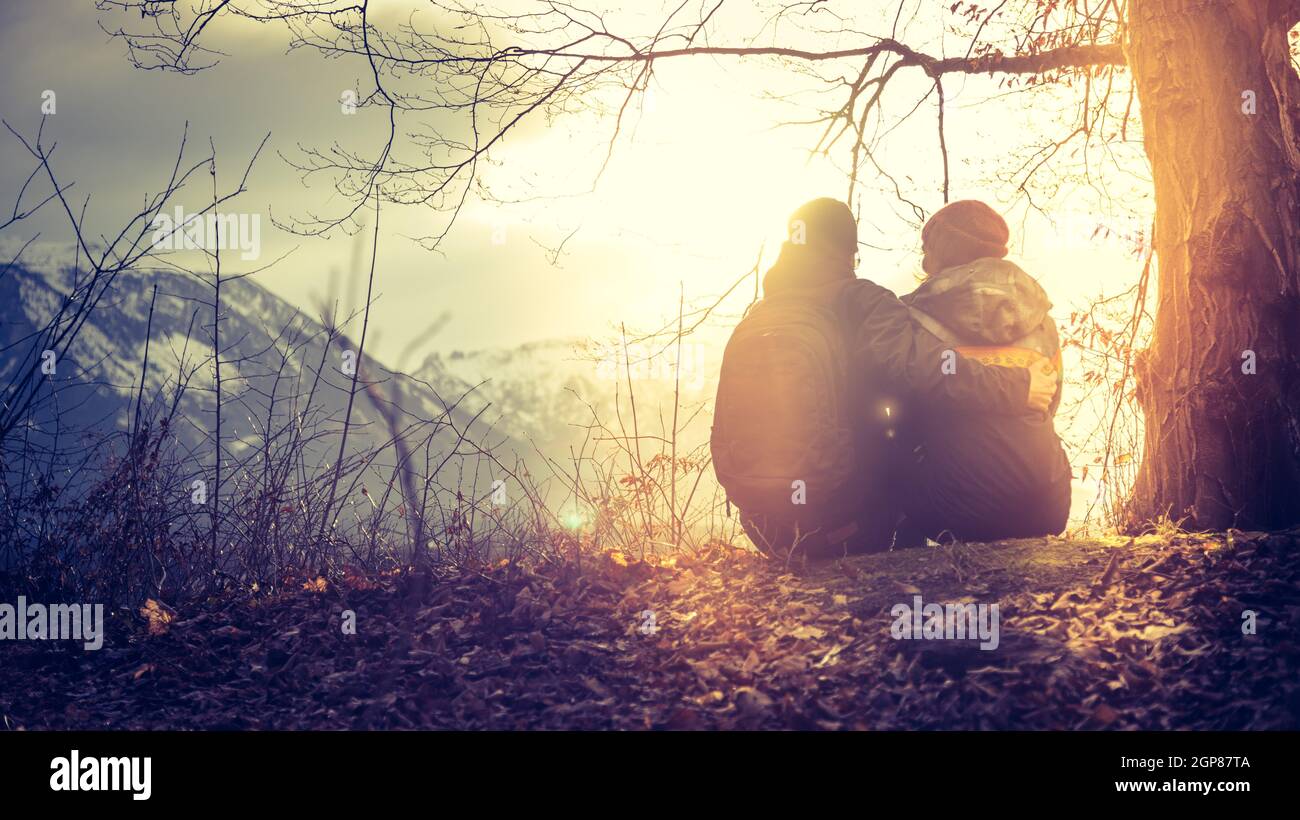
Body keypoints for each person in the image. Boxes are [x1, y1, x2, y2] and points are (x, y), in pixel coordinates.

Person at [711, 198, 1055, 559]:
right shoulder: (863, 301)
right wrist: (1017, 386)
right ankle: (906, 564)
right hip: (847, 527)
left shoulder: (758, 317)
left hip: (766, 528)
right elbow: (920, 367)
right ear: (846, 253)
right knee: (907, 428)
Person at [891, 199, 1071, 543]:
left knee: (886, 442)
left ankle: (901, 551)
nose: (923, 260)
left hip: (958, 513)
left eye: (927, 249)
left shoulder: (913, 317)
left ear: (941, 251)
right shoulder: (1040, 319)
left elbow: (904, 410)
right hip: (1047, 505)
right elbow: (1050, 403)